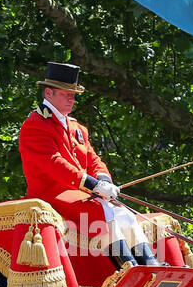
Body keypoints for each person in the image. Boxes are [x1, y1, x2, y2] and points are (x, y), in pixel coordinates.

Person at [18, 61, 163, 268]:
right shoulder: (35, 124)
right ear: (48, 93)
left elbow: (93, 159)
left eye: (74, 94)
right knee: (99, 209)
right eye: (66, 93)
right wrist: (92, 184)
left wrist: (103, 179)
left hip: (80, 190)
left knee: (123, 213)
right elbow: (53, 163)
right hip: (51, 192)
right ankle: (128, 267)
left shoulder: (76, 126)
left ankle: (151, 265)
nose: (72, 98)